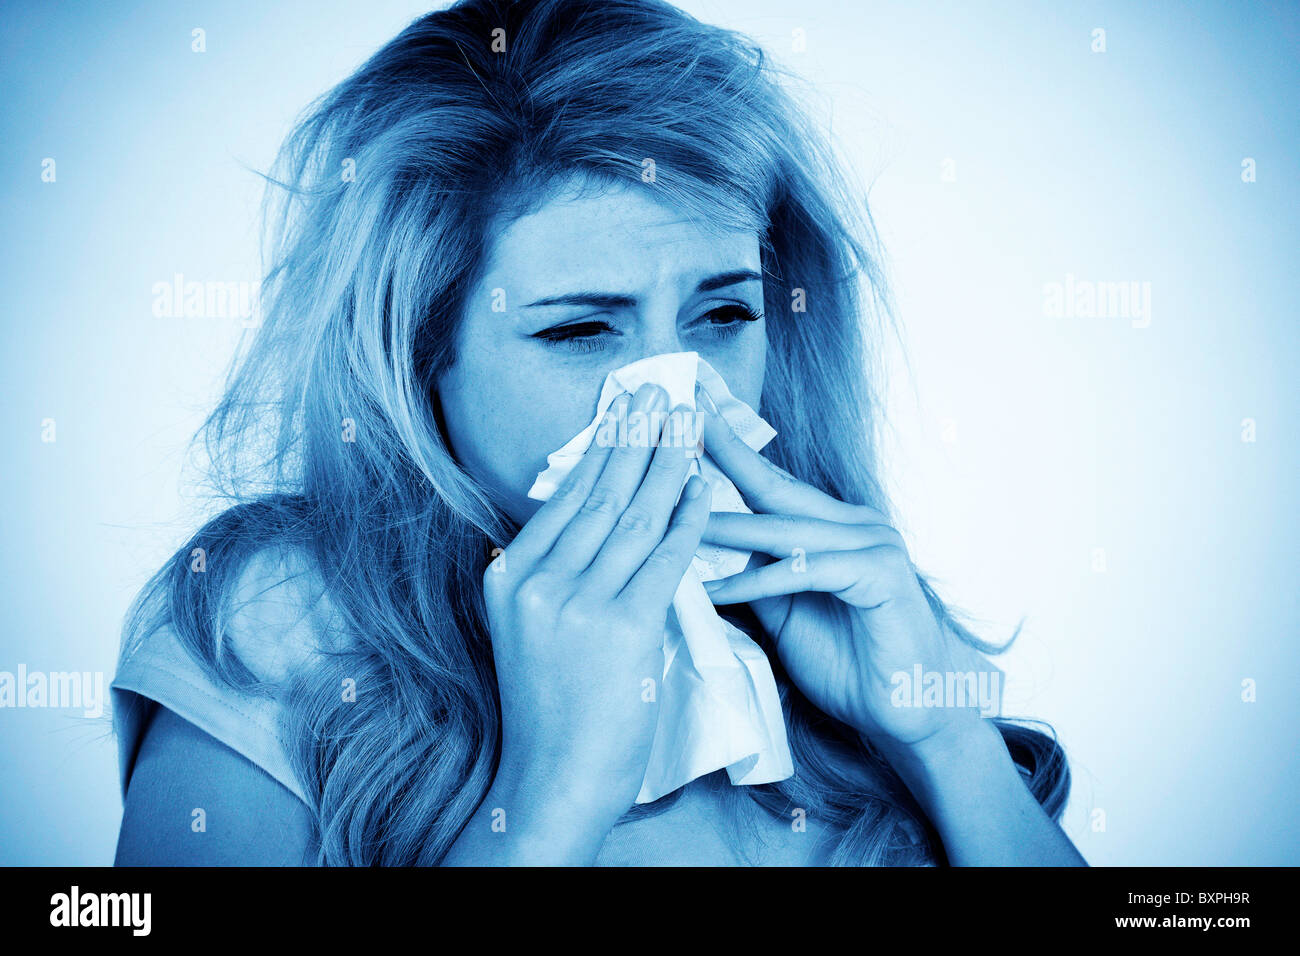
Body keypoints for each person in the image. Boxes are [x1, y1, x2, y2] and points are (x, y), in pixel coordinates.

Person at [112, 0, 1085, 866]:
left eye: (723, 315)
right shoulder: (287, 618)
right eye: (580, 328)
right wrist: (552, 796)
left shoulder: (838, 613)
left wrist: (943, 738)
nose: (677, 398)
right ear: (419, 351)